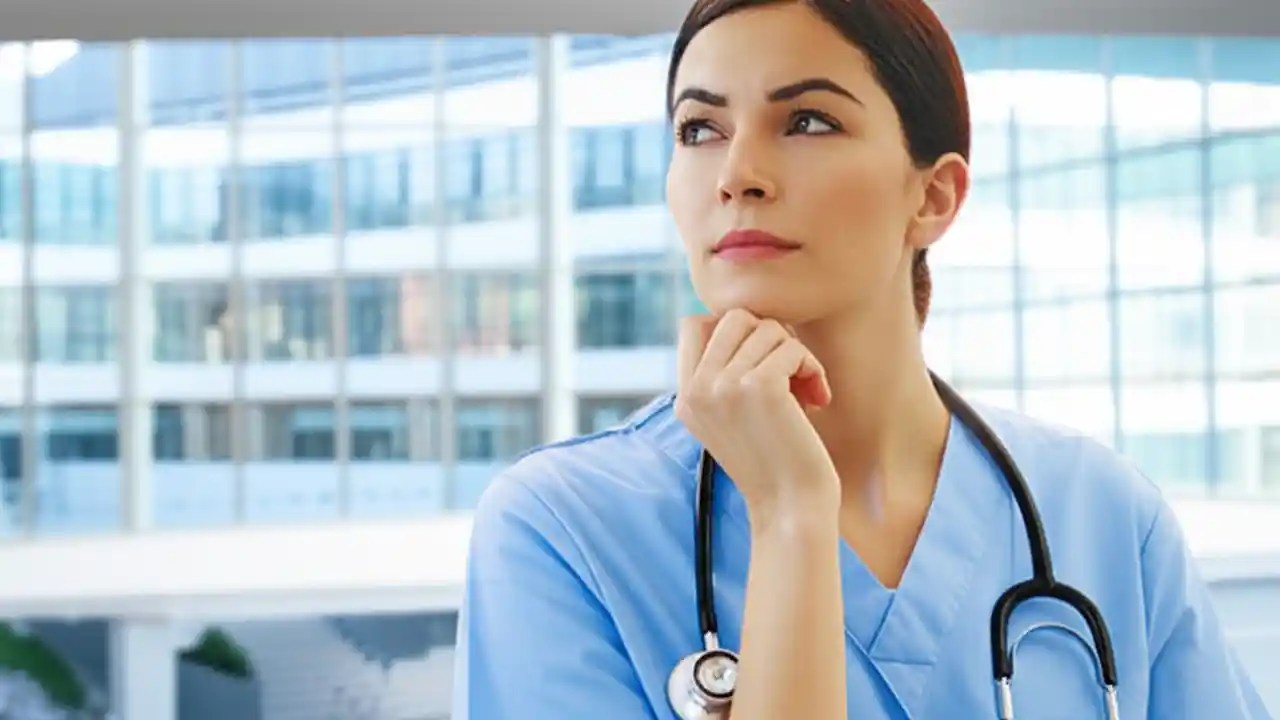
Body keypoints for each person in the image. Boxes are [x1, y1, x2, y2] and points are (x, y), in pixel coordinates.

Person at [452, 0, 1272, 717]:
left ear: (935, 196)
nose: (737, 175)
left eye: (807, 120)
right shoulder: (560, 529)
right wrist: (791, 515)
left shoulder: (1102, 515)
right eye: (700, 129)